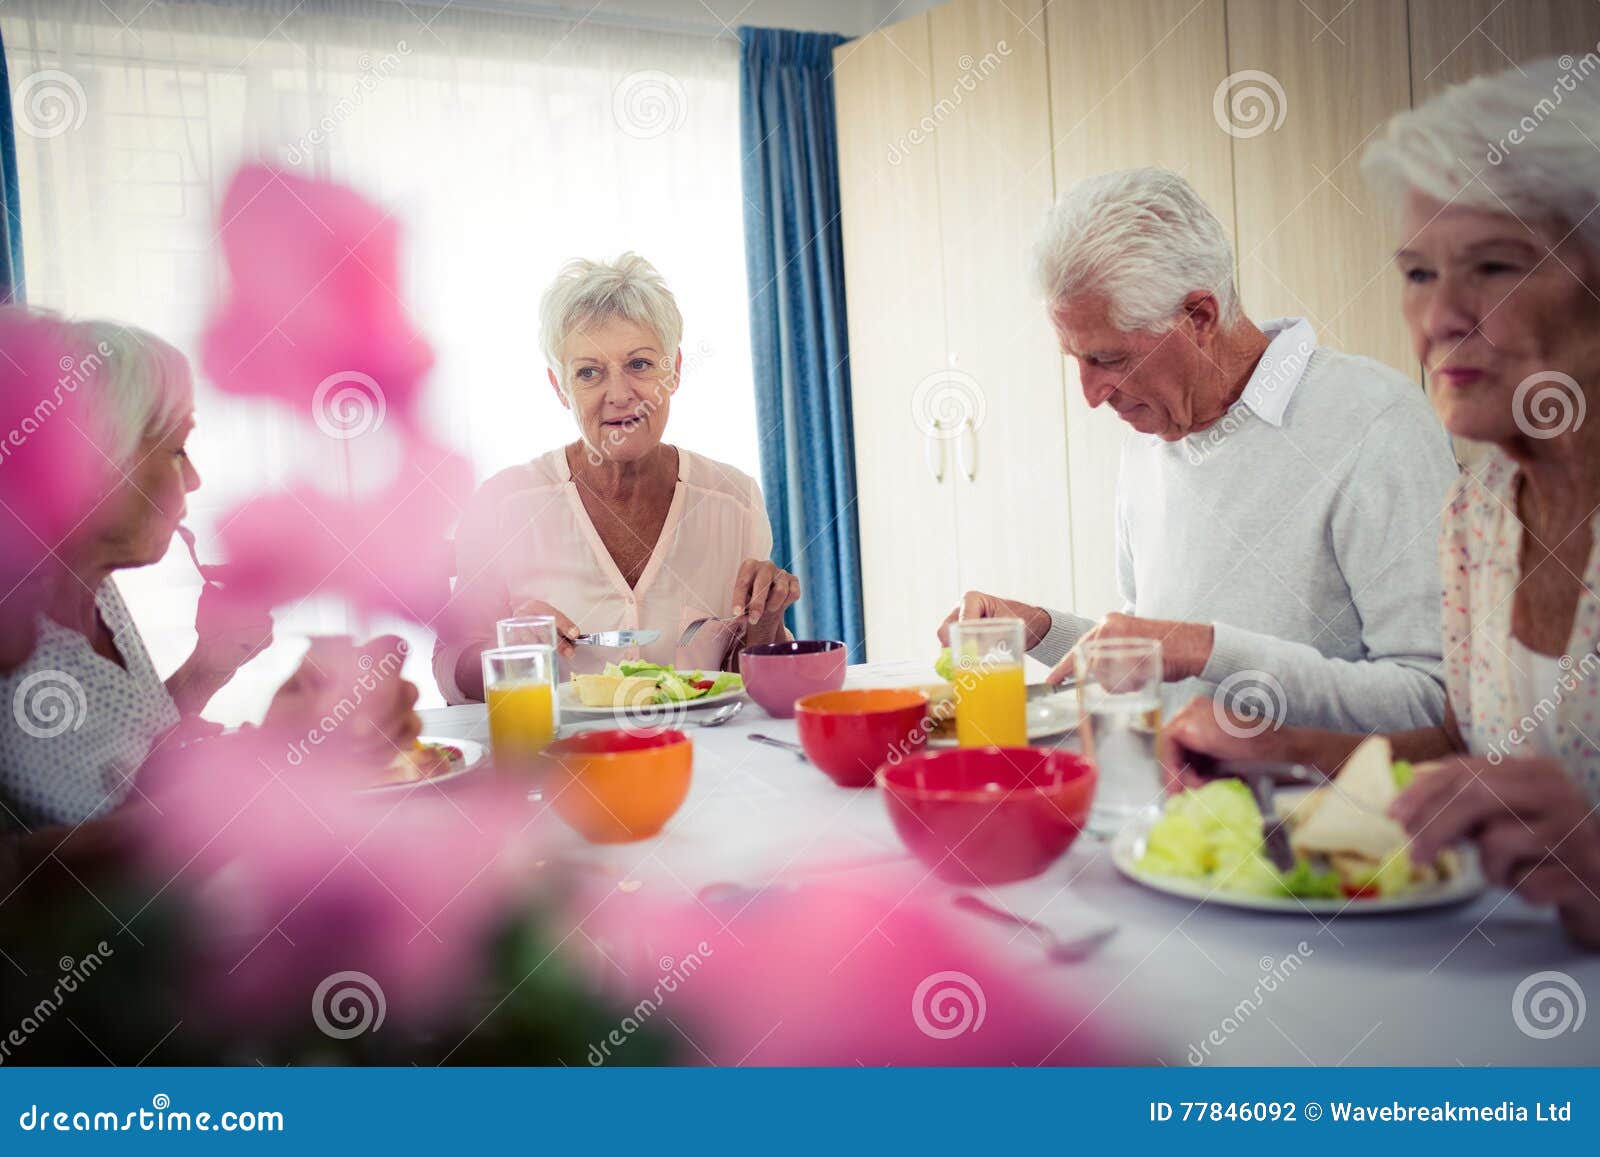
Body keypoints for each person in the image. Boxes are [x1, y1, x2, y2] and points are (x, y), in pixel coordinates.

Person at [1162, 59, 1600, 947]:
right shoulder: (1480, 514)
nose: (1441, 316)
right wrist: (1286, 747)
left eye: (1494, 265)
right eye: (1417, 272)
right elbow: (1467, 738)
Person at [938, 167, 1458, 732]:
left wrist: (1206, 648)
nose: (1091, 396)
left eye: (1109, 359)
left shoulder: (1375, 423)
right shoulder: (1150, 434)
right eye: (1078, 360)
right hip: (1180, 804)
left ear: (1199, 317)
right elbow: (1157, 655)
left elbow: (1433, 702)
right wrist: (1040, 629)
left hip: (1323, 814)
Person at [0, 316, 422, 828]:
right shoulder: (14, 637)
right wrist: (273, 760)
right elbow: (53, 881)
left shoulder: (96, 588)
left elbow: (128, 768)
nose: (195, 479)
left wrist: (207, 666)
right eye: (177, 449)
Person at [434, 253, 799, 702]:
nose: (620, 394)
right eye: (589, 372)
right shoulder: (502, 505)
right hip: (559, 765)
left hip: (701, 763)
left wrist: (766, 620)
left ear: (675, 369)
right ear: (559, 387)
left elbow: (738, 681)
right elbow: (450, 669)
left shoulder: (735, 499)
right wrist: (510, 655)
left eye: (640, 364)